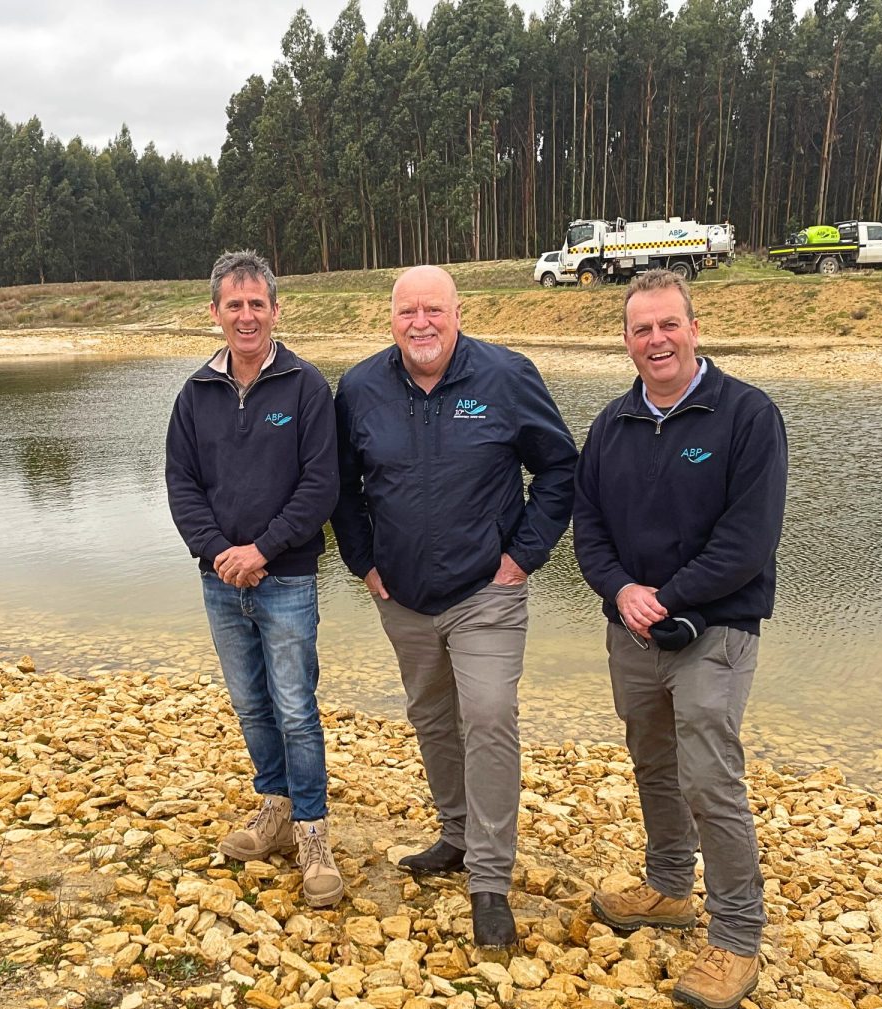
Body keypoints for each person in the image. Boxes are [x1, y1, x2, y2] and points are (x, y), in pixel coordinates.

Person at [332, 265, 577, 947]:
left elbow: (560, 468)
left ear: (458, 312)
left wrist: (523, 555)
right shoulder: (358, 389)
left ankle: (491, 880)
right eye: (408, 311)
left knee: (490, 716)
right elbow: (341, 486)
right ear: (390, 321)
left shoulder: (506, 377)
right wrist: (363, 562)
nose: (421, 323)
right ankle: (457, 835)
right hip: (402, 596)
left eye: (433, 309)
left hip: (484, 592)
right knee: (433, 716)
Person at [573, 268, 788, 1009]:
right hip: (631, 628)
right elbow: (589, 528)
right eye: (642, 329)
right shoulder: (611, 425)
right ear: (626, 341)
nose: (656, 340)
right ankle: (667, 886)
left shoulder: (747, 417)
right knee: (652, 760)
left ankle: (735, 935)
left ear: (694, 329)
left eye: (669, 325)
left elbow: (748, 541)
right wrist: (623, 591)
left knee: (709, 774)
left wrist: (670, 595)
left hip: (715, 629)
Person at [165, 250, 343, 907]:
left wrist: (263, 549)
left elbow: (321, 485)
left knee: (296, 708)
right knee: (250, 702)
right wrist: (219, 553)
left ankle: (313, 832)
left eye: (256, 304)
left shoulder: (305, 388)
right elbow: (182, 486)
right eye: (233, 305)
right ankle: (273, 805)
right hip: (220, 581)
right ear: (214, 313)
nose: (246, 315)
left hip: (287, 578)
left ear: (275, 309)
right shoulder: (195, 395)